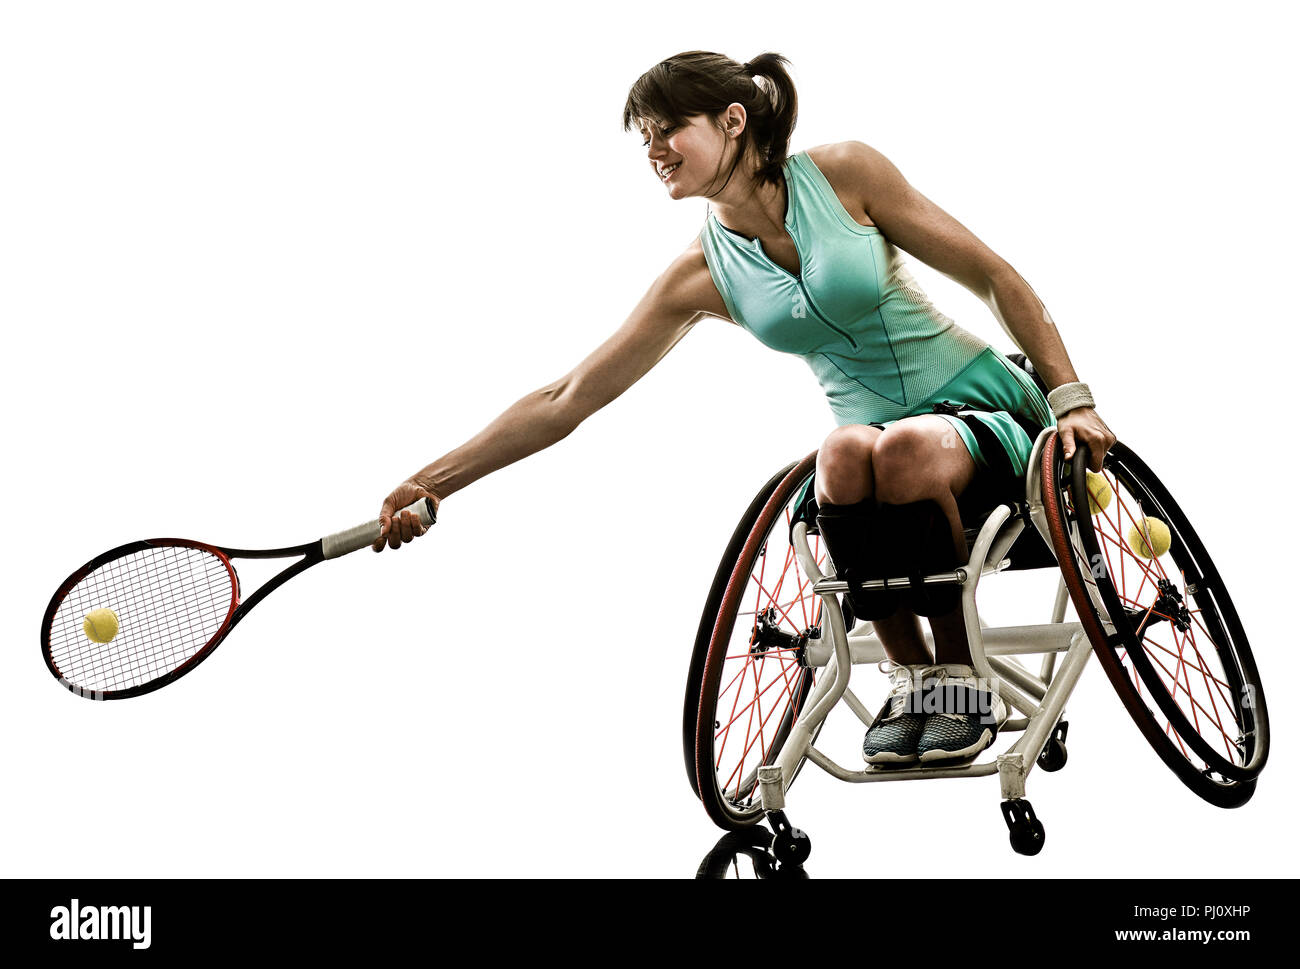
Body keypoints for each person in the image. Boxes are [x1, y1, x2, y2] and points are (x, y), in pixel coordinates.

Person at [372, 51, 1116, 767]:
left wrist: (1072, 398)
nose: (654, 150)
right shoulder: (702, 274)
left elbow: (993, 276)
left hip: (988, 419)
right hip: (878, 454)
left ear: (733, 119)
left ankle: (961, 675)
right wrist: (433, 480)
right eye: (644, 138)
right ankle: (915, 679)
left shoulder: (844, 174)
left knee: (897, 448)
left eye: (668, 129)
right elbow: (566, 398)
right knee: (841, 456)